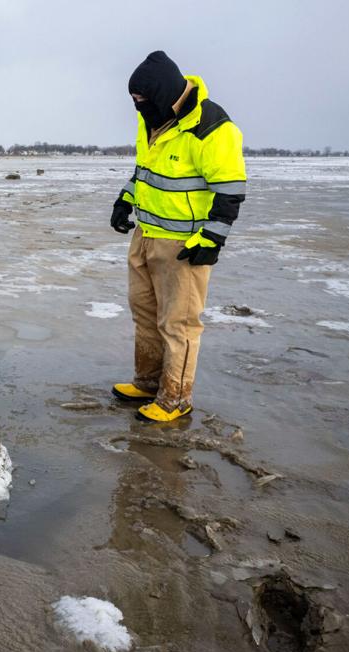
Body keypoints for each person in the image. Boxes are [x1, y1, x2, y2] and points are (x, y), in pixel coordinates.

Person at [109, 51, 246, 422]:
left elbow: (230, 189)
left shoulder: (213, 128)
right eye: (135, 103)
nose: (139, 110)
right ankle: (148, 382)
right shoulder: (153, 120)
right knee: (145, 314)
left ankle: (175, 397)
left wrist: (212, 239)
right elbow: (144, 169)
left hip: (183, 246)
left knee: (178, 323)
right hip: (146, 235)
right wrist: (125, 199)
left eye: (143, 102)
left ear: (164, 94)